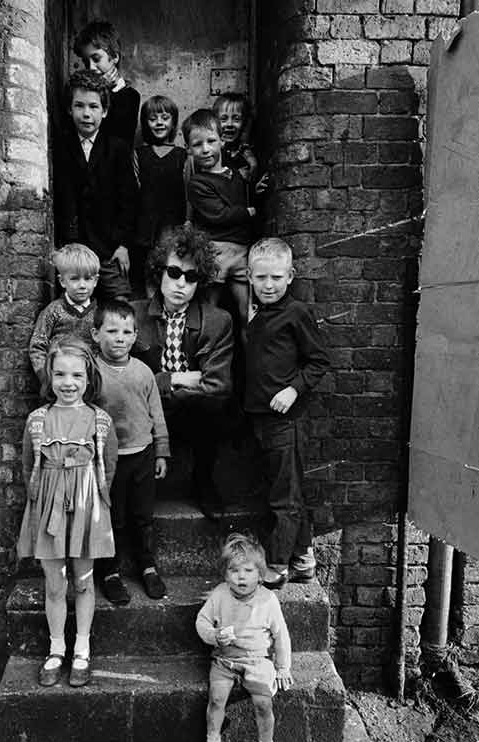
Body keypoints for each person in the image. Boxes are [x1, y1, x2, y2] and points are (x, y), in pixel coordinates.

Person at [17, 336, 118, 688]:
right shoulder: (38, 420)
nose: (68, 383)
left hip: (86, 507)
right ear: (50, 377)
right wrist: (51, 495)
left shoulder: (99, 420)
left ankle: (82, 649)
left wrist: (87, 496)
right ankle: (56, 647)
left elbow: (110, 464)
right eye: (60, 374)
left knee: (83, 581)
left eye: (76, 375)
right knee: (55, 584)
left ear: (89, 377)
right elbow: (30, 463)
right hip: (49, 508)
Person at [131, 223, 234, 520]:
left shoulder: (218, 321)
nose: (181, 284)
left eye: (191, 277)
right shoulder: (134, 314)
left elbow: (218, 385)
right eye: (174, 273)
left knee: (212, 407)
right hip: (148, 411)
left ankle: (203, 480)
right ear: (159, 272)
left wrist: (158, 383)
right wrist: (177, 378)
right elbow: (120, 377)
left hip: (191, 411)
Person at [245, 238, 330, 587]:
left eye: (276, 277)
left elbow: (319, 361)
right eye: (261, 277)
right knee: (287, 487)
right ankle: (304, 557)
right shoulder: (258, 314)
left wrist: (293, 389)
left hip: (286, 420)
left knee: (285, 495)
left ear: (291, 275)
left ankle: (278, 565)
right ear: (249, 277)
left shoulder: (297, 313)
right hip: (261, 418)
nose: (269, 285)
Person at [195, 533, 292, 742]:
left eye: (248, 570)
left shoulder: (267, 600)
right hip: (225, 659)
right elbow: (201, 622)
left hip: (257, 659)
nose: (241, 576)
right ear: (225, 575)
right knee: (216, 698)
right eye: (234, 570)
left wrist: (283, 667)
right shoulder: (219, 595)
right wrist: (214, 636)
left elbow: (281, 634)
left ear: (260, 574)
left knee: (263, 704)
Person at [92, 299, 170, 605]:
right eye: (111, 330)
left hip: (142, 455)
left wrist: (161, 451)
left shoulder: (143, 372)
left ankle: (147, 565)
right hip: (106, 458)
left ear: (136, 335)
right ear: (96, 333)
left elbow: (156, 414)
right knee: (112, 517)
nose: (120, 337)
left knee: (141, 516)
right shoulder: (91, 370)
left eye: (127, 331)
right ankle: (109, 571)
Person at [182, 108, 268, 338]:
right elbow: (218, 215)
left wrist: (255, 193)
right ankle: (208, 362)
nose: (206, 149)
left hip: (241, 251)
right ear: (189, 149)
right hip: (215, 252)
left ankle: (250, 366)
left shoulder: (237, 176)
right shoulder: (197, 184)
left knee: (247, 313)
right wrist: (248, 212)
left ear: (222, 141)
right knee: (210, 312)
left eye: (211, 141)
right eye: (198, 144)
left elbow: (238, 199)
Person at [53, 70, 138, 300]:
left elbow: (129, 198)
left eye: (93, 107)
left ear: (105, 111)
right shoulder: (61, 146)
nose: (86, 114)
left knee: (120, 303)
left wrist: (123, 245)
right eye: (79, 106)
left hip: (110, 248)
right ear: (70, 109)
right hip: (75, 248)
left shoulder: (117, 148)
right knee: (74, 305)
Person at [132, 95, 187, 297]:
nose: (159, 123)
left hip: (173, 225)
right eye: (153, 118)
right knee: (149, 276)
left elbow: (189, 192)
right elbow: (134, 190)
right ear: (145, 123)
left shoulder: (182, 155)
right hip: (145, 227)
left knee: (171, 272)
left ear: (173, 122)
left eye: (165, 117)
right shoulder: (139, 153)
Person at [29, 243, 100, 384]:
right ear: (62, 281)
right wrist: (46, 377)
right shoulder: (54, 311)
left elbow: (103, 348)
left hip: (89, 382)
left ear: (95, 281)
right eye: (74, 279)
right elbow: (37, 345)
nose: (82, 285)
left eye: (88, 279)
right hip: (59, 382)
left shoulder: (99, 314)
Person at [74, 18, 140, 145]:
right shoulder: (80, 94)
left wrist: (101, 90)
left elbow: (118, 142)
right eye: (86, 62)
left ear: (114, 57)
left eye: (96, 59)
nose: (91, 68)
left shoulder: (130, 96)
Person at [212, 92, 258, 185]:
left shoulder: (245, 155)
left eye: (236, 119)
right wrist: (236, 175)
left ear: (244, 123)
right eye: (224, 119)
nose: (229, 124)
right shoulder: (211, 152)